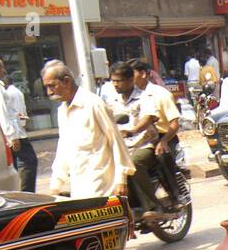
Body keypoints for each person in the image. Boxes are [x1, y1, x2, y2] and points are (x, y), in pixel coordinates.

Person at [41, 62, 134, 201]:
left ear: (66, 81)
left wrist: (121, 179)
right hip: (79, 183)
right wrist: (56, 184)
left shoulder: (92, 104)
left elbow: (116, 141)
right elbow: (64, 148)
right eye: (46, 87)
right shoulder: (62, 110)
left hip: (101, 184)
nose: (49, 92)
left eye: (52, 86)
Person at [99, 62, 162, 220]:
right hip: (122, 148)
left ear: (130, 80)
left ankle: (151, 206)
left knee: (133, 164)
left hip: (144, 145)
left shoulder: (144, 96)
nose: (115, 84)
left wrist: (133, 130)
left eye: (118, 80)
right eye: (113, 80)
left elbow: (148, 117)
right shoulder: (111, 101)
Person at [0, 57, 37, 192]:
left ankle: (20, 194)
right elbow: (1, 112)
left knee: (14, 166)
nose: (4, 71)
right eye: (2, 68)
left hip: (6, 132)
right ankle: (26, 194)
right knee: (29, 162)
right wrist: (12, 135)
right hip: (11, 133)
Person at [131, 59, 182, 199]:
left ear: (142, 74)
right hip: (145, 137)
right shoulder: (134, 96)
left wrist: (164, 141)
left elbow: (174, 124)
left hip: (164, 136)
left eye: (131, 74)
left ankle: (174, 195)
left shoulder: (160, 94)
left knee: (160, 156)